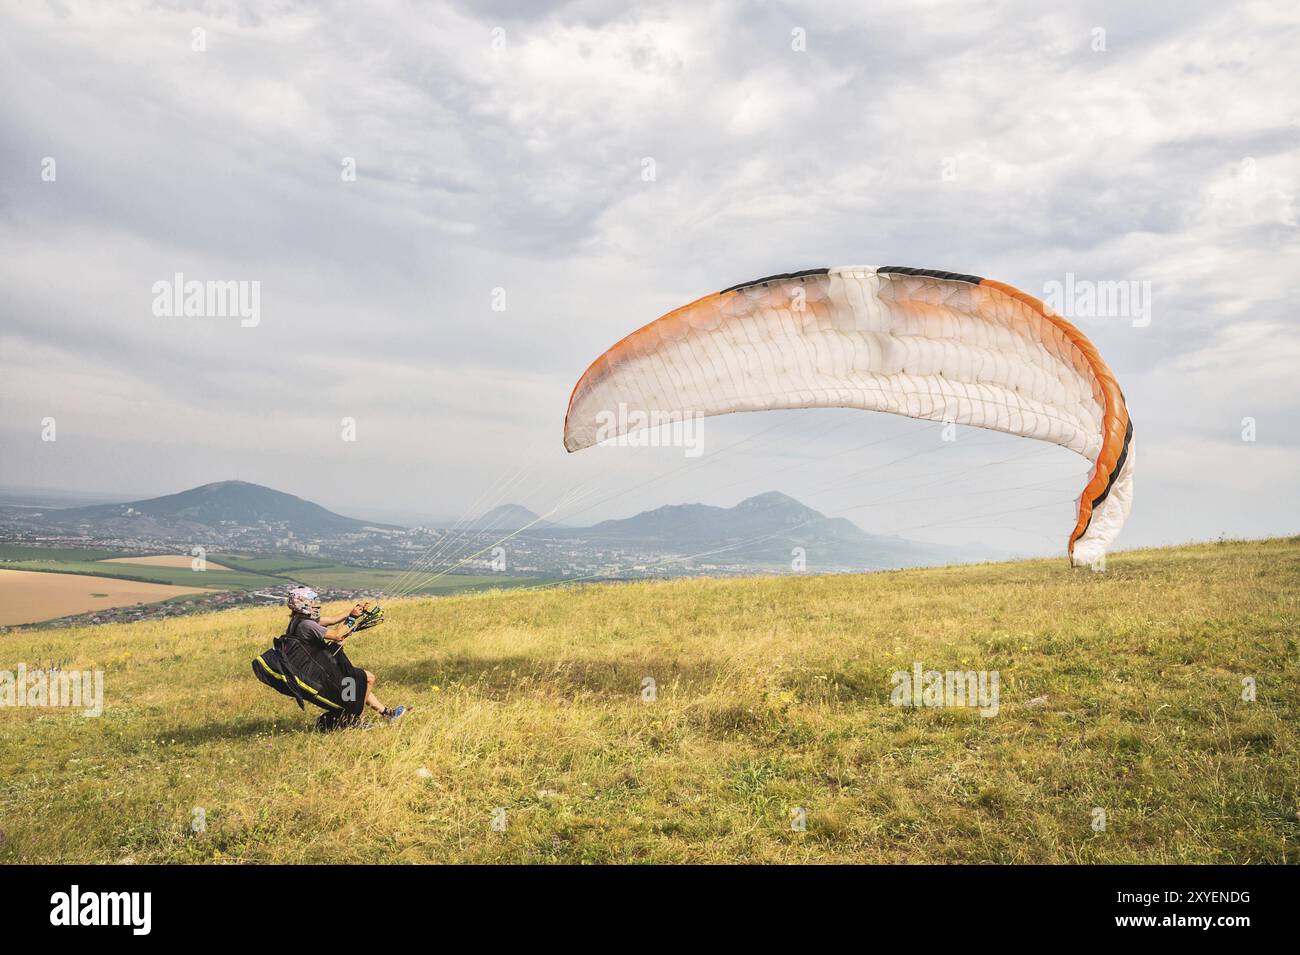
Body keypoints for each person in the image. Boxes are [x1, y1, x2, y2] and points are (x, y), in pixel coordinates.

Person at [252, 586, 408, 730]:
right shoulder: (307, 625)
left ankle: (386, 713)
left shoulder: (298, 621)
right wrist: (352, 619)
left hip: (322, 668)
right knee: (366, 679)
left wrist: (353, 611)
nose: (314, 604)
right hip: (322, 673)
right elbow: (336, 635)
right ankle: (355, 719)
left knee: (359, 682)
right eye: (311, 602)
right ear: (303, 604)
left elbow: (333, 620)